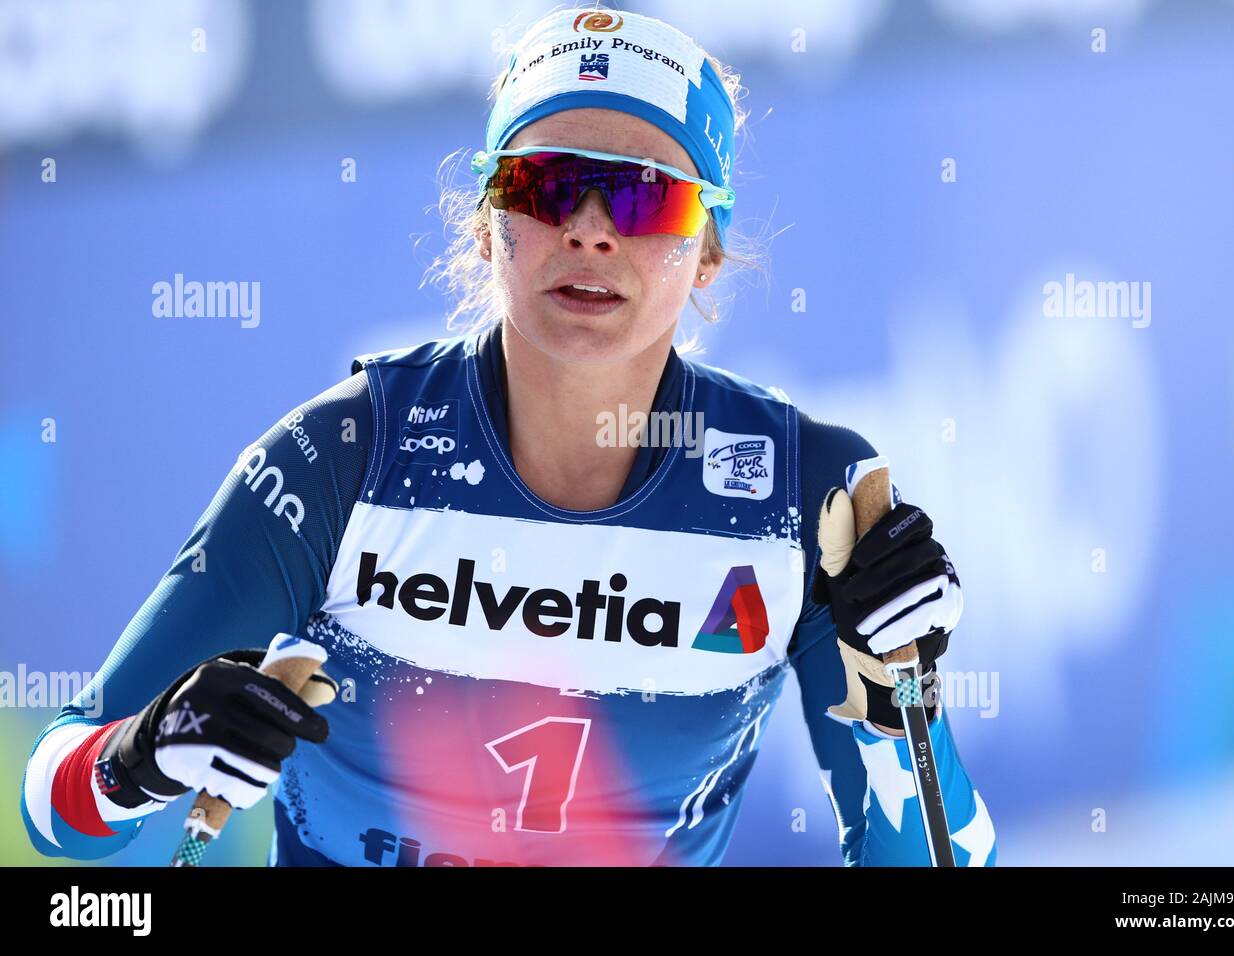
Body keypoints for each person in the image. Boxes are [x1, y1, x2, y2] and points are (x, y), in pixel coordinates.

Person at [20, 8, 995, 867]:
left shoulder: (807, 490)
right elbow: (51, 806)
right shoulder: (342, 456)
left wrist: (896, 697)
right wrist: (141, 751)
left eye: (644, 194)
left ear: (706, 248)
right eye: (545, 184)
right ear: (486, 225)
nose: (589, 230)